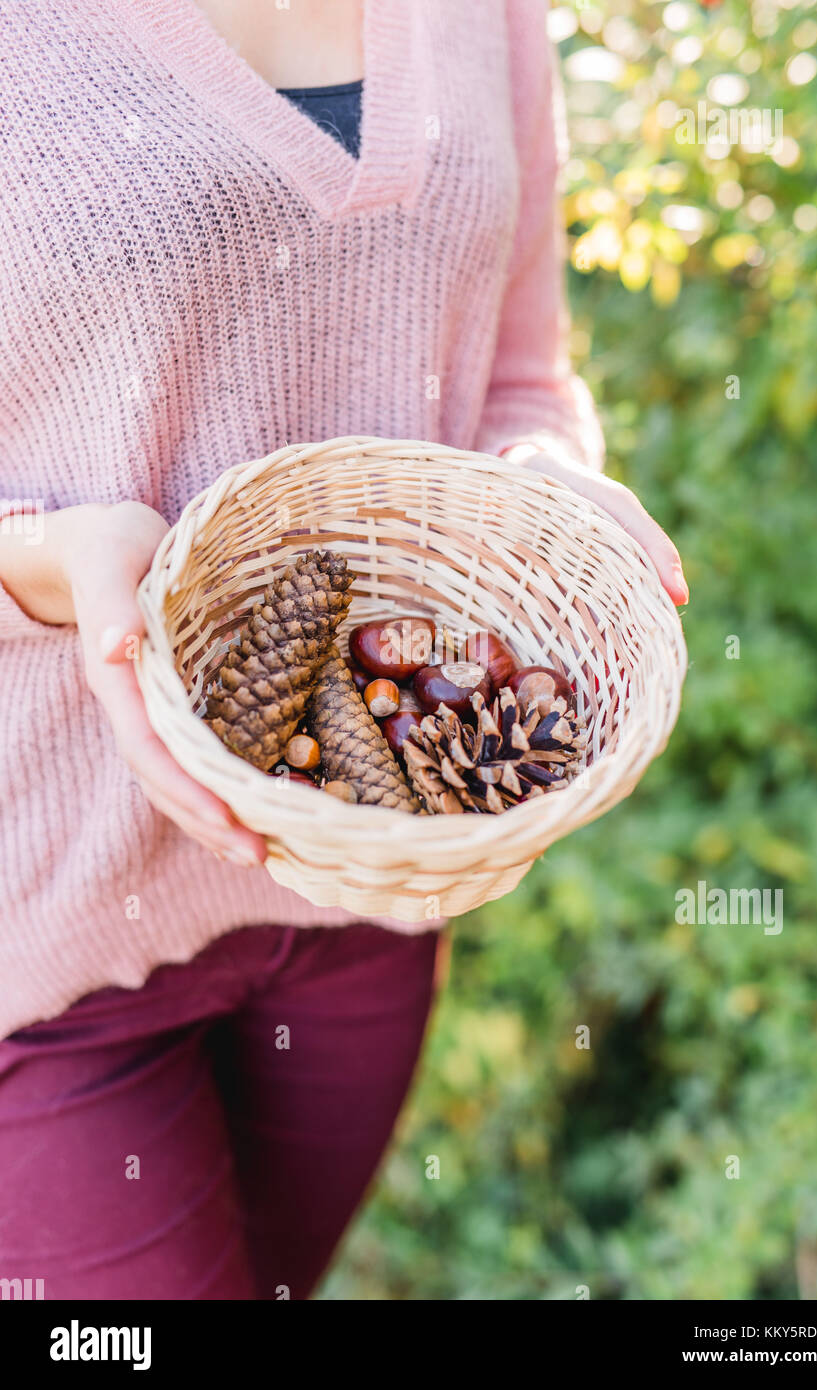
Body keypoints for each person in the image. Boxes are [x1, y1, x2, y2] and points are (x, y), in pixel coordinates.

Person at [0, 0, 687, 1300]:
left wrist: (544, 484)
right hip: (37, 935)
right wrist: (43, 563)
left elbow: (522, 379)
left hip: (361, 883)